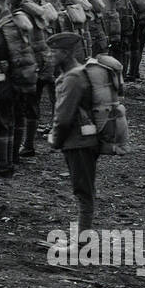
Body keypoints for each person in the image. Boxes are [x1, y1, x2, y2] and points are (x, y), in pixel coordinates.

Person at [47, 31, 99, 238]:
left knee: (83, 192)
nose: (50, 56)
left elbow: (64, 117)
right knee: (84, 190)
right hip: (84, 139)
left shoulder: (72, 78)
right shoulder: (78, 73)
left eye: (54, 52)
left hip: (79, 141)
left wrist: (55, 140)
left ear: (66, 53)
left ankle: (83, 242)